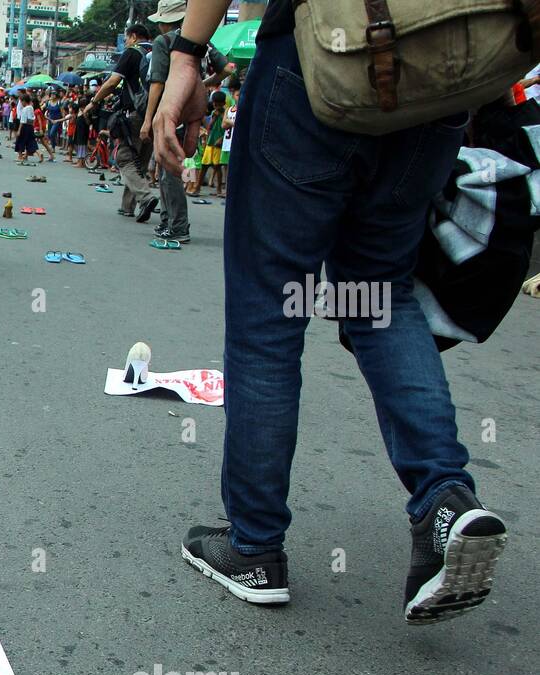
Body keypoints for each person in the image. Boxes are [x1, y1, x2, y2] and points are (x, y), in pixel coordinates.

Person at [153, 0, 507, 622]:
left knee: (269, 313)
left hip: (321, 60)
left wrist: (186, 54)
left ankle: (255, 546)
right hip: (438, 77)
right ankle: (445, 498)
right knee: (379, 297)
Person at [141, 0, 232, 244]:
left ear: (164, 21)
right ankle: (167, 221)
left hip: (170, 111)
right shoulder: (204, 42)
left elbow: (158, 83)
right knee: (170, 167)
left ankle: (177, 225)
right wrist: (202, 85)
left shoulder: (165, 41)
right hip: (193, 111)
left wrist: (148, 119)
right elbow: (227, 70)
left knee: (169, 170)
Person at [83, 23, 155, 218]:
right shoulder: (159, 51)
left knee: (124, 157)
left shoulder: (132, 52)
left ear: (132, 36)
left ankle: (146, 197)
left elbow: (112, 82)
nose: (125, 42)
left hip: (137, 113)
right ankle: (128, 206)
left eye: (125, 39)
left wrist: (94, 102)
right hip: (158, 113)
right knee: (139, 161)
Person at [14, 92, 37, 163]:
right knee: (29, 141)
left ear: (24, 101)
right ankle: (26, 155)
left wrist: (19, 130)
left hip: (24, 126)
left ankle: (20, 156)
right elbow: (32, 118)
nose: (21, 103)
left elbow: (22, 121)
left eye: (21, 101)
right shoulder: (31, 108)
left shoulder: (25, 109)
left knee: (20, 141)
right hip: (30, 126)